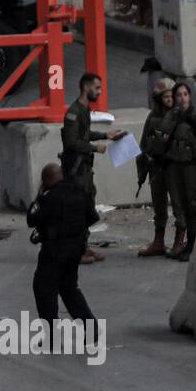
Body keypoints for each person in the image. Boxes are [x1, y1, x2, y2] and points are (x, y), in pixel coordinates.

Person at [26, 163, 98, 340]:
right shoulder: (80, 192)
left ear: (46, 180)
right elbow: (93, 217)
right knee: (69, 288)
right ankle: (92, 329)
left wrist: (40, 195)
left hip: (54, 250)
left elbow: (31, 219)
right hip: (75, 250)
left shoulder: (48, 197)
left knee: (44, 288)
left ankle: (52, 335)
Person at [60, 71, 124, 264]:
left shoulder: (84, 110)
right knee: (77, 209)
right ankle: (76, 250)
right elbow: (71, 142)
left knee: (86, 206)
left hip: (85, 169)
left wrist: (106, 135)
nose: (100, 92)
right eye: (97, 88)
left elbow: (85, 134)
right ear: (85, 87)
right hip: (75, 169)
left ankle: (83, 246)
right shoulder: (73, 112)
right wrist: (96, 148)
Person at [165, 82, 196, 261]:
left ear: (190, 96)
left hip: (194, 167)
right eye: (179, 95)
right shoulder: (175, 115)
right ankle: (190, 243)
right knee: (184, 204)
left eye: (185, 94)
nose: (182, 98)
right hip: (178, 166)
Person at [136, 77, 180, 257]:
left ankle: (179, 241)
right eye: (165, 97)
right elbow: (144, 141)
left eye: (171, 96)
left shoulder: (180, 116)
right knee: (159, 205)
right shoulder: (153, 116)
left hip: (174, 167)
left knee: (178, 205)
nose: (169, 100)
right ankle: (159, 241)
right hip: (156, 167)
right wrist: (144, 163)